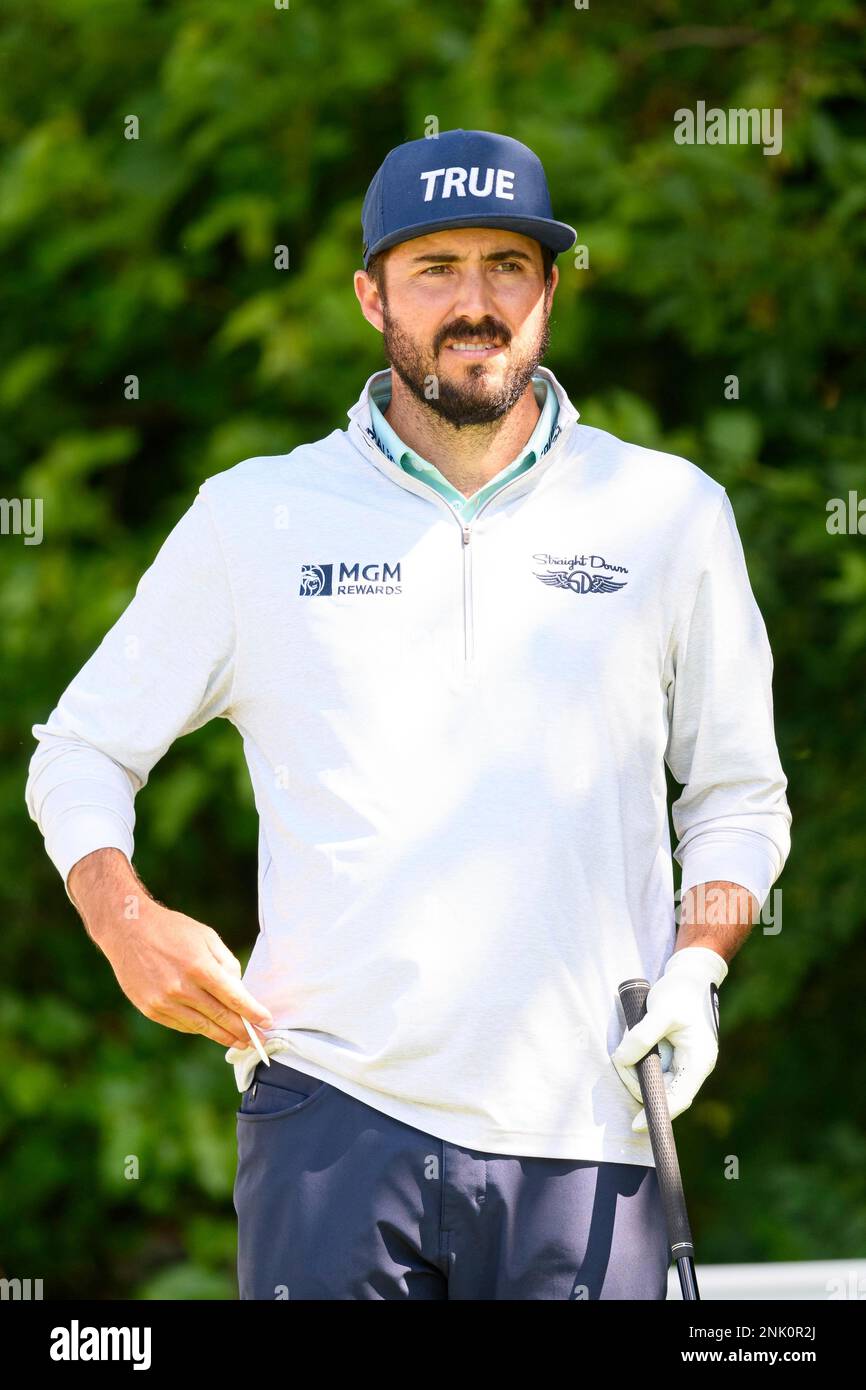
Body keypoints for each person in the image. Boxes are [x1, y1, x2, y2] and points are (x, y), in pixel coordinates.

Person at [25, 128, 792, 1300]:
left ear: (545, 292)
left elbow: (740, 797)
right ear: (369, 293)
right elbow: (77, 752)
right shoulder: (255, 519)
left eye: (507, 266)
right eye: (435, 267)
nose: (474, 303)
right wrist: (125, 921)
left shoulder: (667, 513)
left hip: (591, 1132)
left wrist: (695, 966)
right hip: (332, 1125)